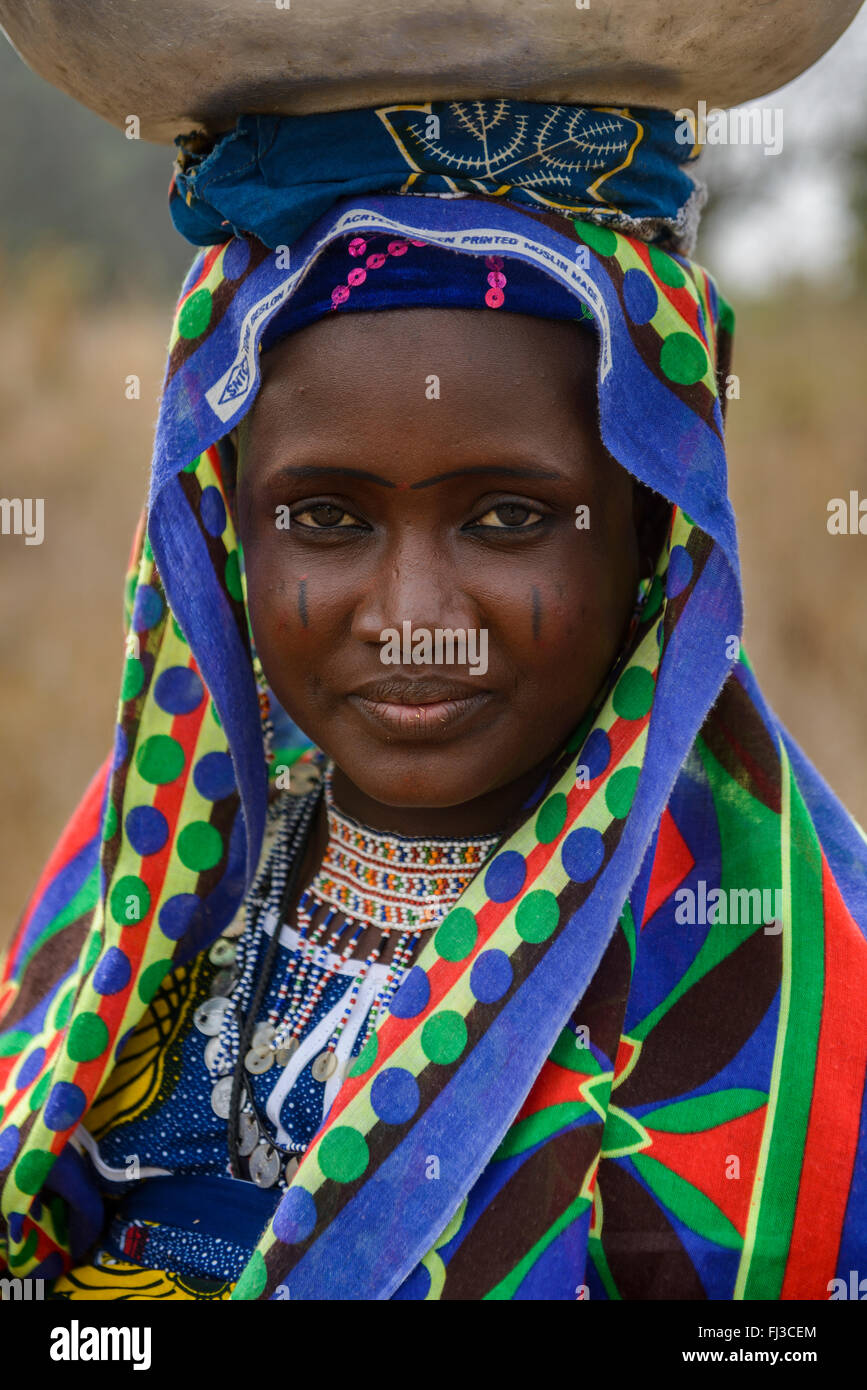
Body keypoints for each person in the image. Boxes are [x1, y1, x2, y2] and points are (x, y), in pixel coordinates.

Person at [1, 102, 865, 1302]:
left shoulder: (783, 996)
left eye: (508, 517)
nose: (410, 611)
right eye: (327, 518)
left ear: (653, 533)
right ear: (228, 530)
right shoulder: (137, 889)